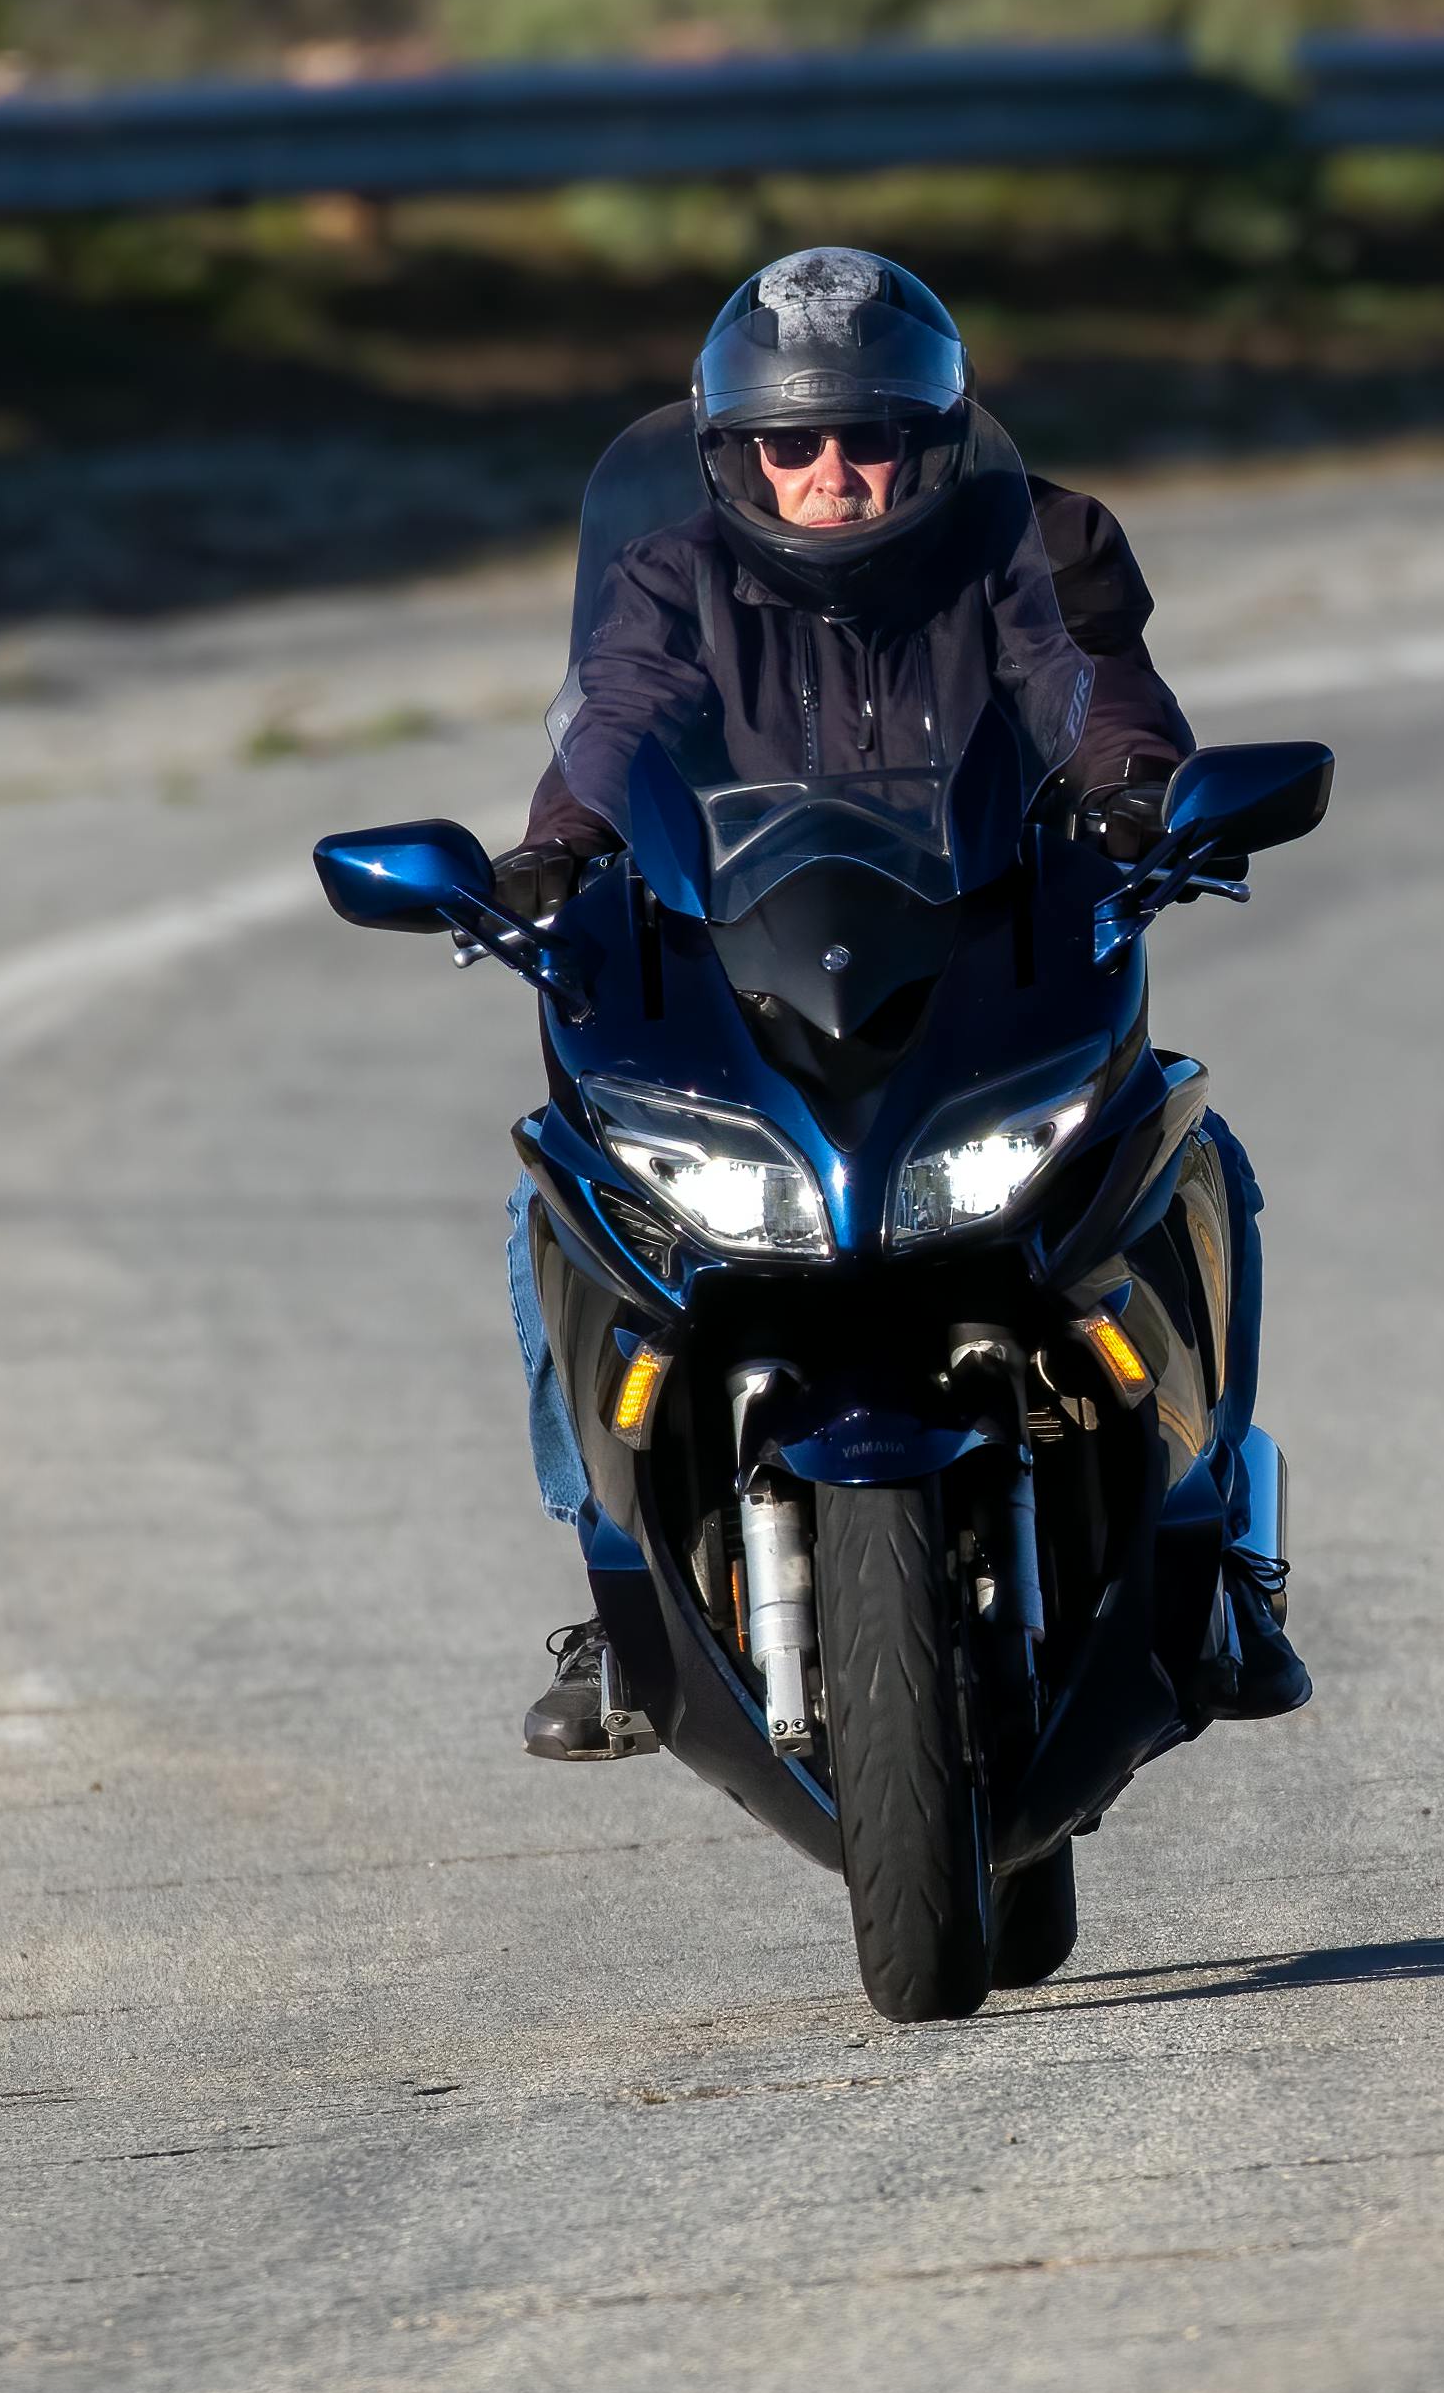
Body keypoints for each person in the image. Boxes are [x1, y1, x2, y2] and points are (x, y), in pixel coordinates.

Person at [493, 248, 1301, 1755]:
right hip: (754, 972)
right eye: (791, 444)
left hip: (992, 957)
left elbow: (1088, 683)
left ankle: (1225, 1544)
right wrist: (552, 855)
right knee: (564, 1189)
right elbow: (613, 720)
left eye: (868, 438)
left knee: (1192, 1150)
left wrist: (1139, 795)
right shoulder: (672, 577)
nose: (833, 472)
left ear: (933, 439)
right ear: (734, 454)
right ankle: (616, 1599)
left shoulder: (1026, 539)